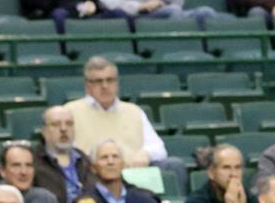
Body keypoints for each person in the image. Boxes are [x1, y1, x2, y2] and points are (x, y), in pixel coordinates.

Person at [64, 56, 185, 188]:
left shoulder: (134, 111)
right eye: (98, 81)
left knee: (174, 165)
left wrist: (145, 154)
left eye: (110, 80)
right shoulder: (70, 112)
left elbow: (159, 148)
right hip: (93, 174)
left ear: (117, 83)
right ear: (88, 86)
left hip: (133, 173)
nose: (105, 86)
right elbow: (66, 152)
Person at [33, 105, 93, 203]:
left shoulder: (84, 159)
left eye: (69, 124)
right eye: (56, 124)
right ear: (44, 131)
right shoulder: (34, 162)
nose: (64, 129)